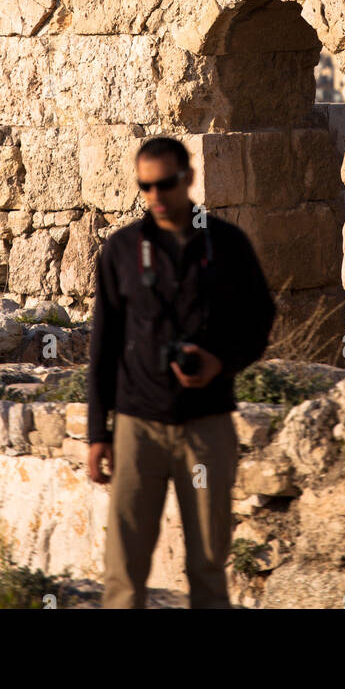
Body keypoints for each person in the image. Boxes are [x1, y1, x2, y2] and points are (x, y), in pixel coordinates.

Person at [87, 135, 276, 609]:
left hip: (205, 425)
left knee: (208, 565)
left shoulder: (227, 244)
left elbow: (260, 321)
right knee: (123, 569)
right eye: (145, 187)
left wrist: (221, 361)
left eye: (166, 184)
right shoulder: (121, 250)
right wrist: (97, 433)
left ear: (188, 178)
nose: (156, 196)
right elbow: (104, 345)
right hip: (137, 426)